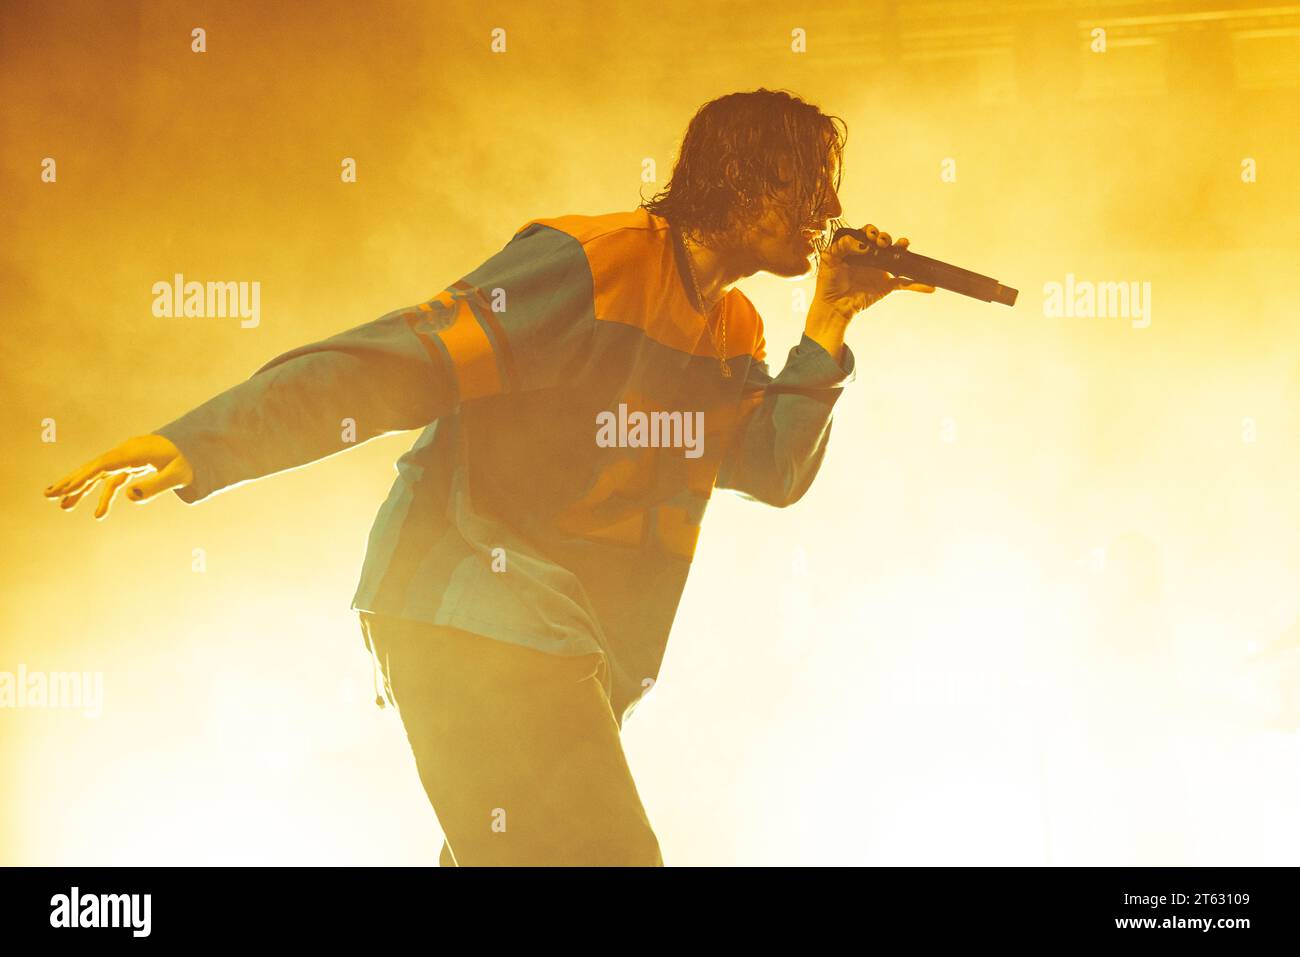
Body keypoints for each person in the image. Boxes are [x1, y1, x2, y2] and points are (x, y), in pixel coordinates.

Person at [43, 88, 934, 866]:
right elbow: (402, 358)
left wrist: (828, 317)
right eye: (802, 180)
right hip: (472, 607)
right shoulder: (595, 264)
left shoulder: (734, 327)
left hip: (566, 649)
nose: (828, 205)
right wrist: (208, 440)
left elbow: (769, 469)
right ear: (736, 176)